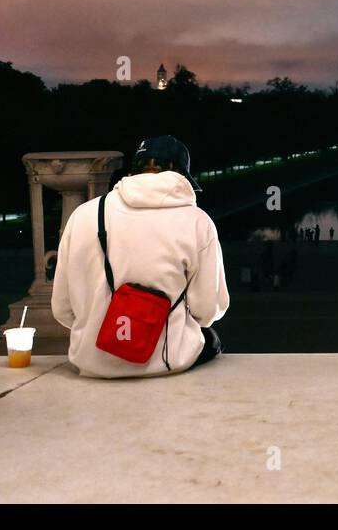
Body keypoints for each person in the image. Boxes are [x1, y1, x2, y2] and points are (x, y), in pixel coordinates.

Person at [51, 135, 229, 378]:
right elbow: (207, 311)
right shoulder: (198, 222)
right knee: (211, 338)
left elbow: (62, 309)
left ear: (134, 171)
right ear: (180, 175)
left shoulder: (83, 215)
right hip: (169, 361)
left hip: (90, 361)